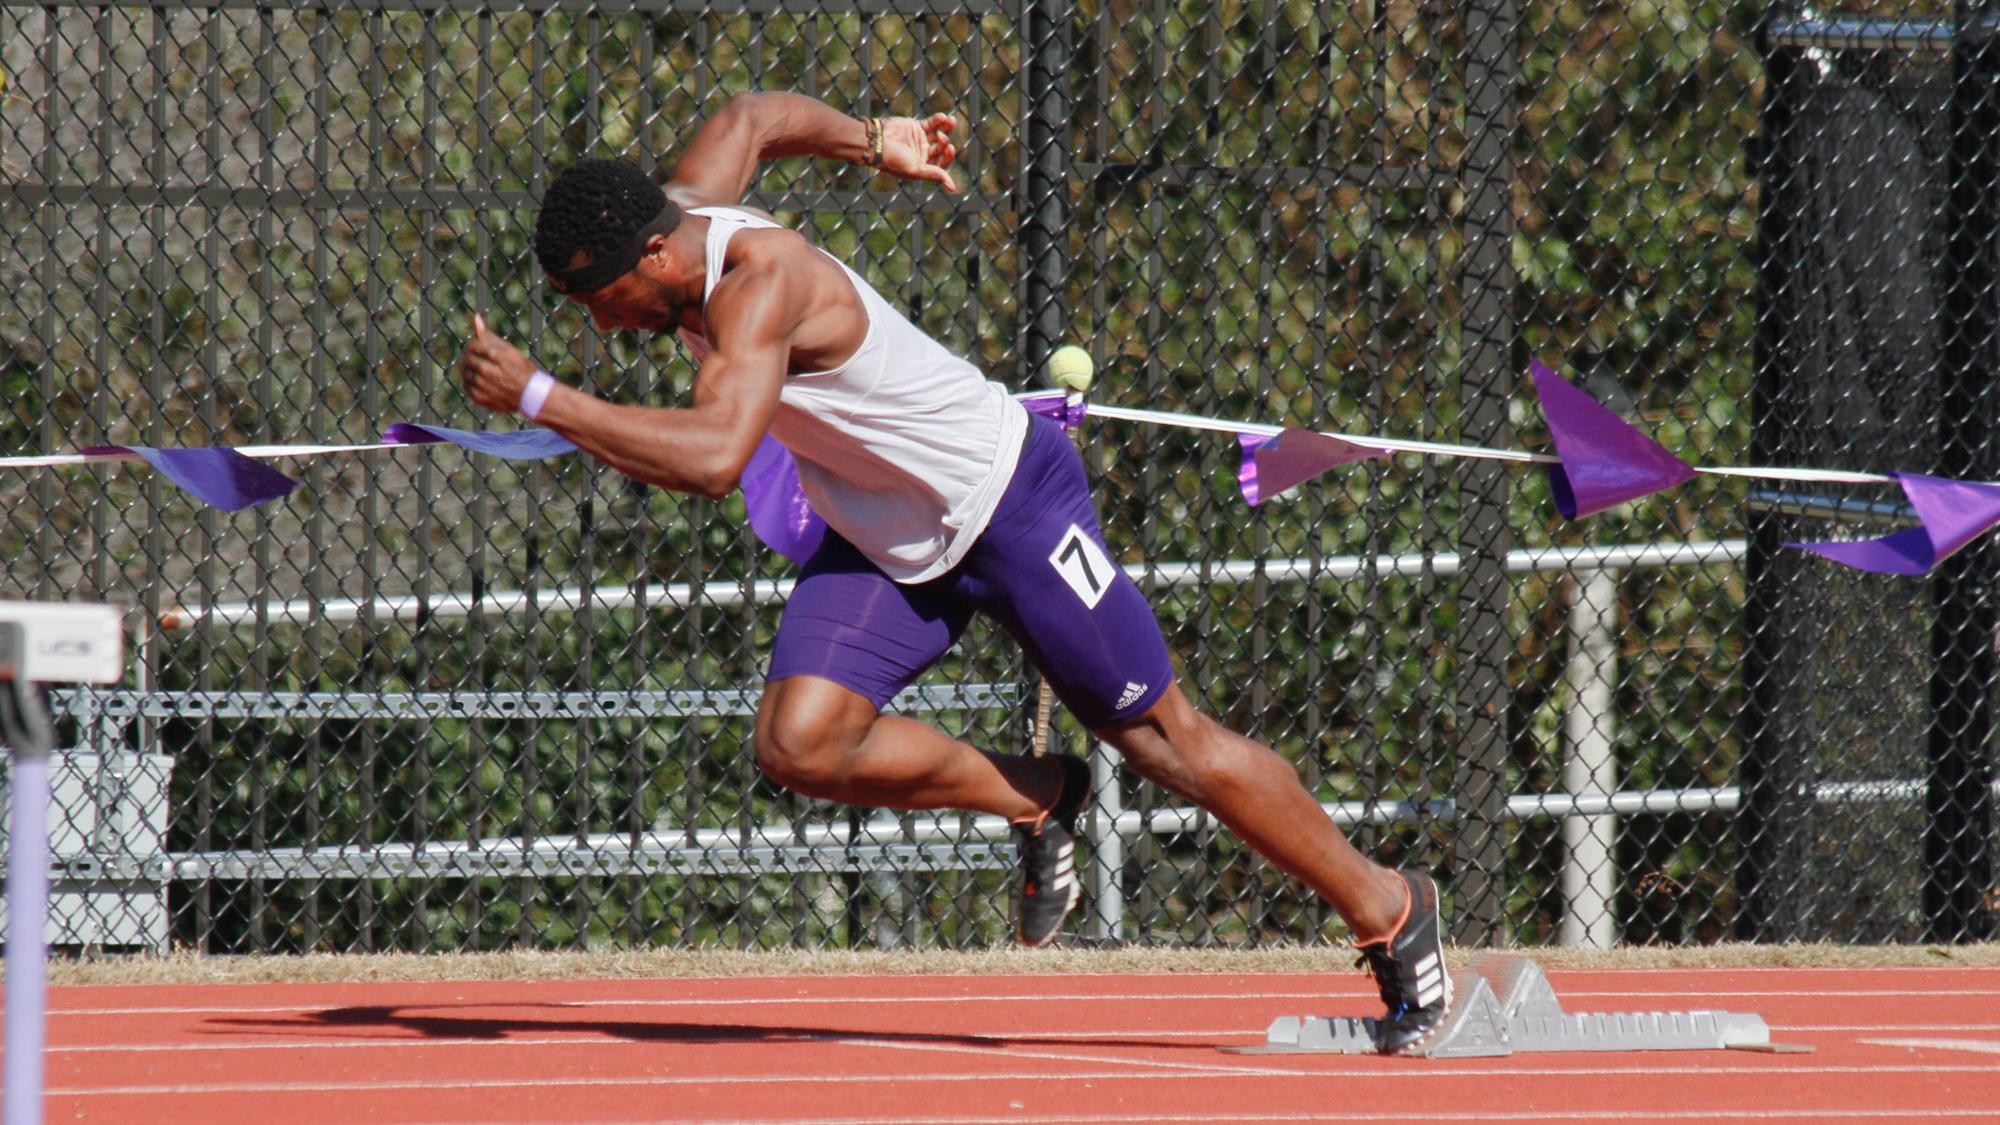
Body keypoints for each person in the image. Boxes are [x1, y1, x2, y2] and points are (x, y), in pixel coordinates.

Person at [457, 91, 1452, 1053]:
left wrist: (542, 394)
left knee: (1162, 744)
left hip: (1008, 501)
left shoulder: (760, 283)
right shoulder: (682, 207)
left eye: (596, 301)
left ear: (655, 253)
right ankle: (1037, 793)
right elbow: (751, 116)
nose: (597, 326)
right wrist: (868, 139)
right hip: (886, 536)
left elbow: (716, 460)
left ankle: (1388, 906)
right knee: (799, 745)